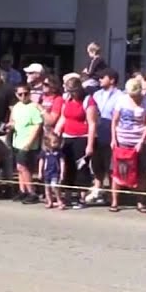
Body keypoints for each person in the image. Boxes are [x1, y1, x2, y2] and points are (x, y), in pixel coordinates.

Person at [55, 74, 97, 208]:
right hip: (67, 136)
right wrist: (56, 132)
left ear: (79, 89)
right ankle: (67, 196)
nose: (72, 94)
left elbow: (92, 124)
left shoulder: (88, 100)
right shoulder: (67, 99)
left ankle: (82, 197)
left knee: (81, 167)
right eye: (69, 91)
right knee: (67, 166)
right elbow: (63, 117)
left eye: (74, 91)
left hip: (82, 137)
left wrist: (90, 145)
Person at [109, 77, 146, 212]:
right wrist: (113, 139)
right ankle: (115, 201)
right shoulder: (121, 100)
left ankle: (140, 202)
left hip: (138, 141)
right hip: (122, 140)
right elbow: (114, 121)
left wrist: (141, 141)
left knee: (141, 172)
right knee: (118, 171)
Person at [87, 69, 125, 205]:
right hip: (98, 128)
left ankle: (112, 193)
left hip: (111, 130)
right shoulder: (97, 94)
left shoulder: (121, 96)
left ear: (112, 80)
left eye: (103, 77)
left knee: (110, 163)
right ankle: (98, 189)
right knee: (97, 162)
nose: (100, 79)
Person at [8, 84, 44, 204]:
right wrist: (10, 126)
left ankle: (32, 192)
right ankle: (22, 190)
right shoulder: (17, 107)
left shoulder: (33, 107)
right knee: (19, 169)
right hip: (17, 141)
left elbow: (37, 126)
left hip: (28, 142)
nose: (23, 96)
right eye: (20, 94)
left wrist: (29, 142)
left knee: (23, 167)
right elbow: (13, 121)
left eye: (26, 93)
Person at [38, 132, 65, 209]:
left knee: (55, 187)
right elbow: (41, 161)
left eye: (57, 142)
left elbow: (62, 162)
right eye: (54, 142)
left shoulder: (59, 152)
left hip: (55, 173)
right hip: (47, 172)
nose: (56, 144)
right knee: (47, 188)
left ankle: (59, 201)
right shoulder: (44, 152)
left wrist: (62, 173)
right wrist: (40, 172)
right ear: (47, 143)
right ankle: (49, 201)